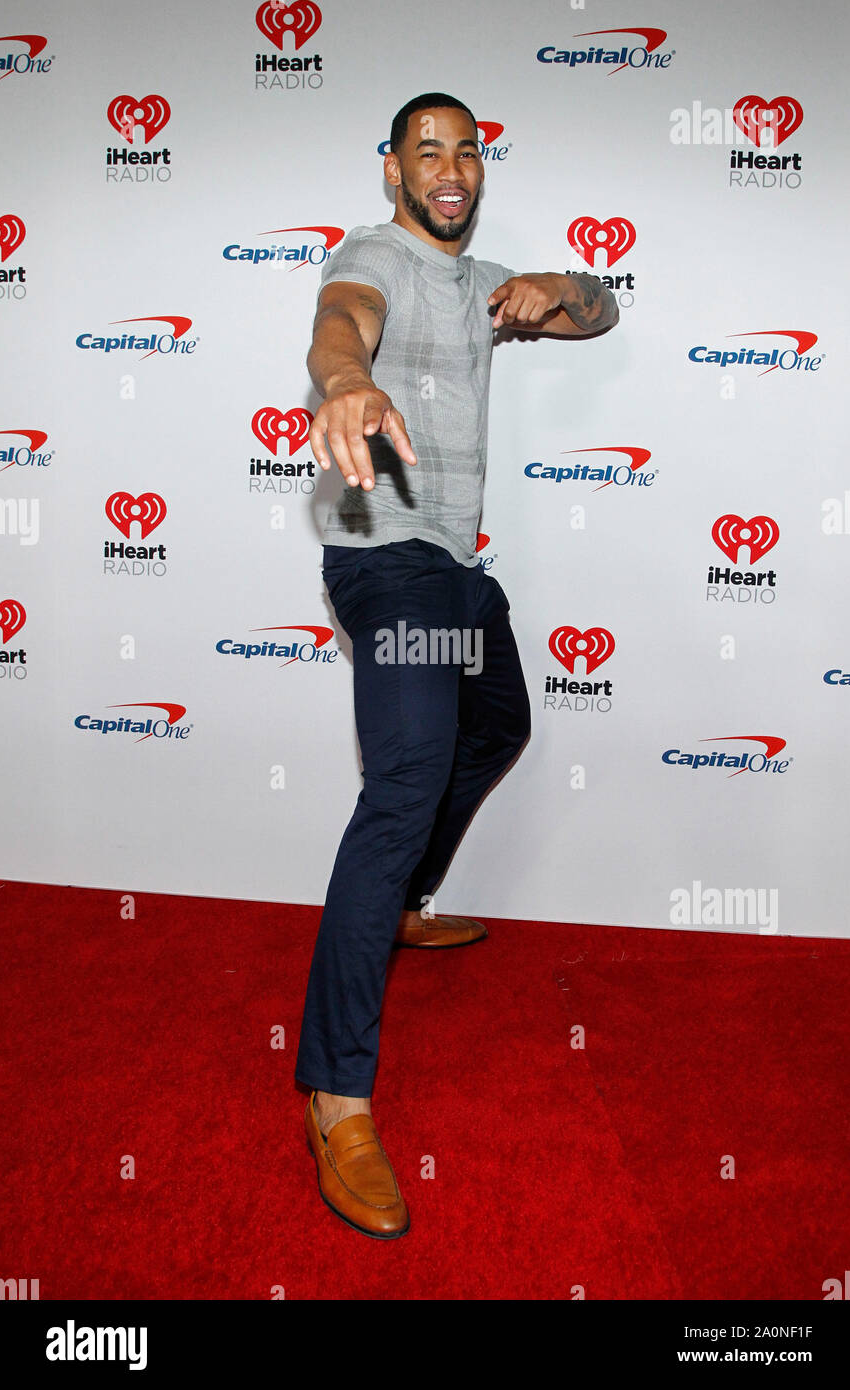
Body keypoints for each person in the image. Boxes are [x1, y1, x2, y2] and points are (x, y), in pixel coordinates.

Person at [296, 92, 619, 1238]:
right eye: (424, 149)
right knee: (401, 785)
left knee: (496, 726)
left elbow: (603, 312)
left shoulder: (485, 286)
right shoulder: (371, 253)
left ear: (480, 171)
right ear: (390, 170)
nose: (449, 166)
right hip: (387, 564)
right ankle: (333, 1095)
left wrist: (558, 290)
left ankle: (401, 903)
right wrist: (345, 381)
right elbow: (342, 320)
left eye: (466, 149)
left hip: (452, 571)